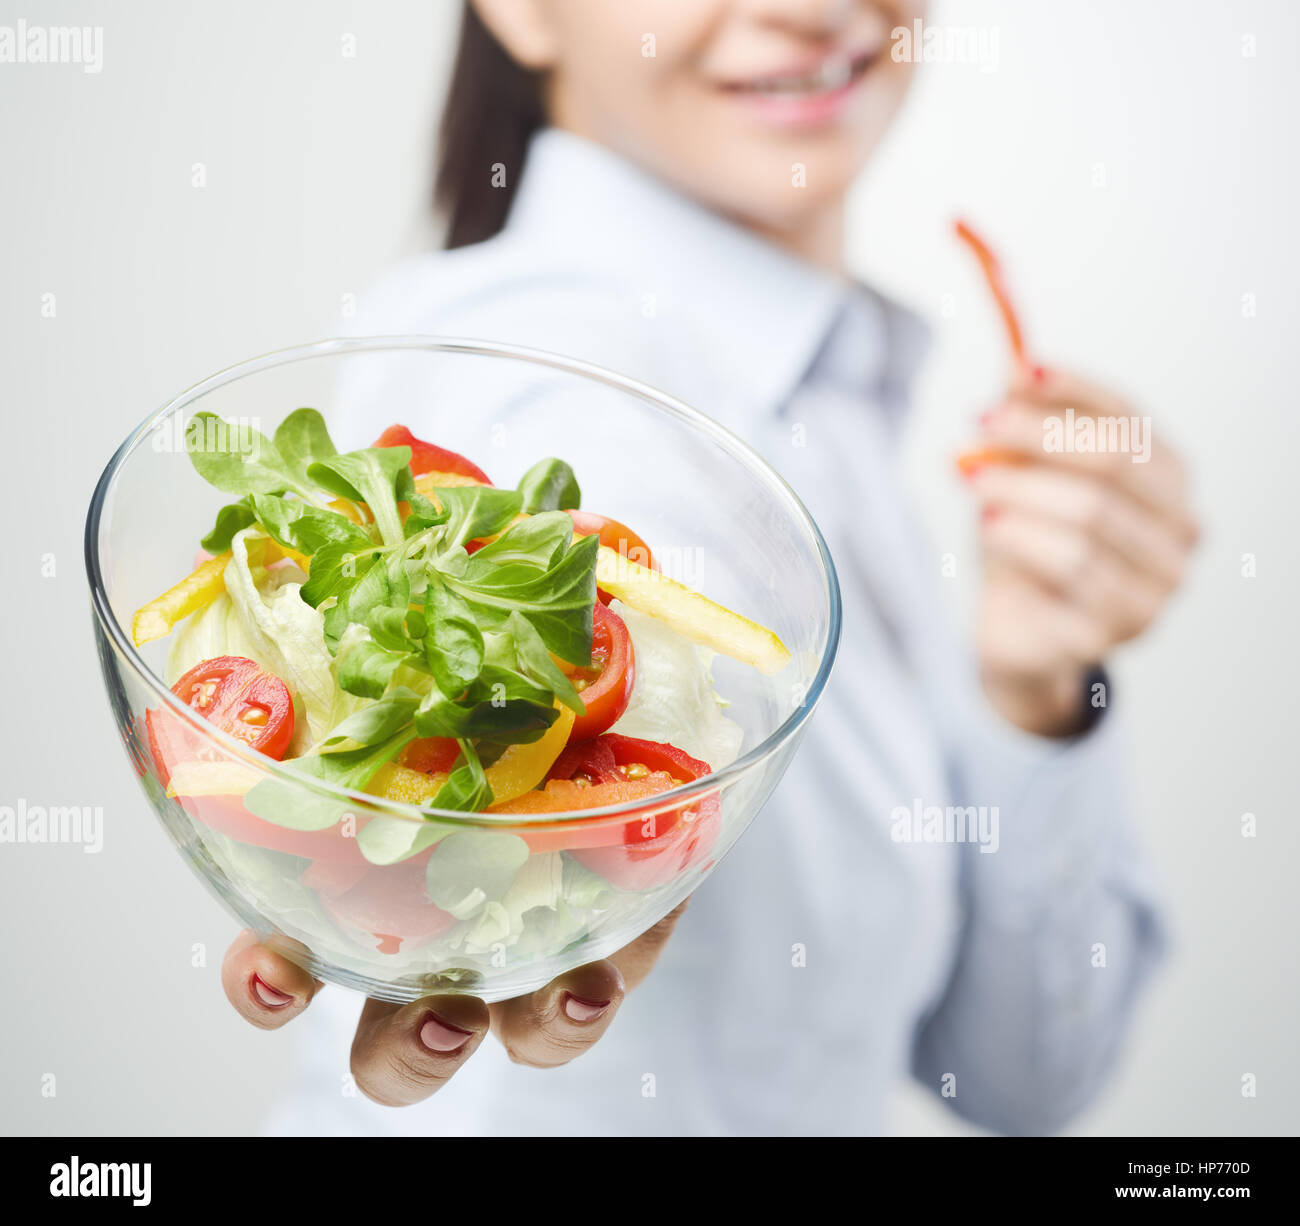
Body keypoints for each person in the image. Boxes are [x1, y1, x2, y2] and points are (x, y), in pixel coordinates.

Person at [226, 0, 1198, 1135]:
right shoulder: (533, 368)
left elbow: (1018, 1083)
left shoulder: (828, 402)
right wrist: (517, 836)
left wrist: (1030, 696)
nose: (812, 9)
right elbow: (562, 475)